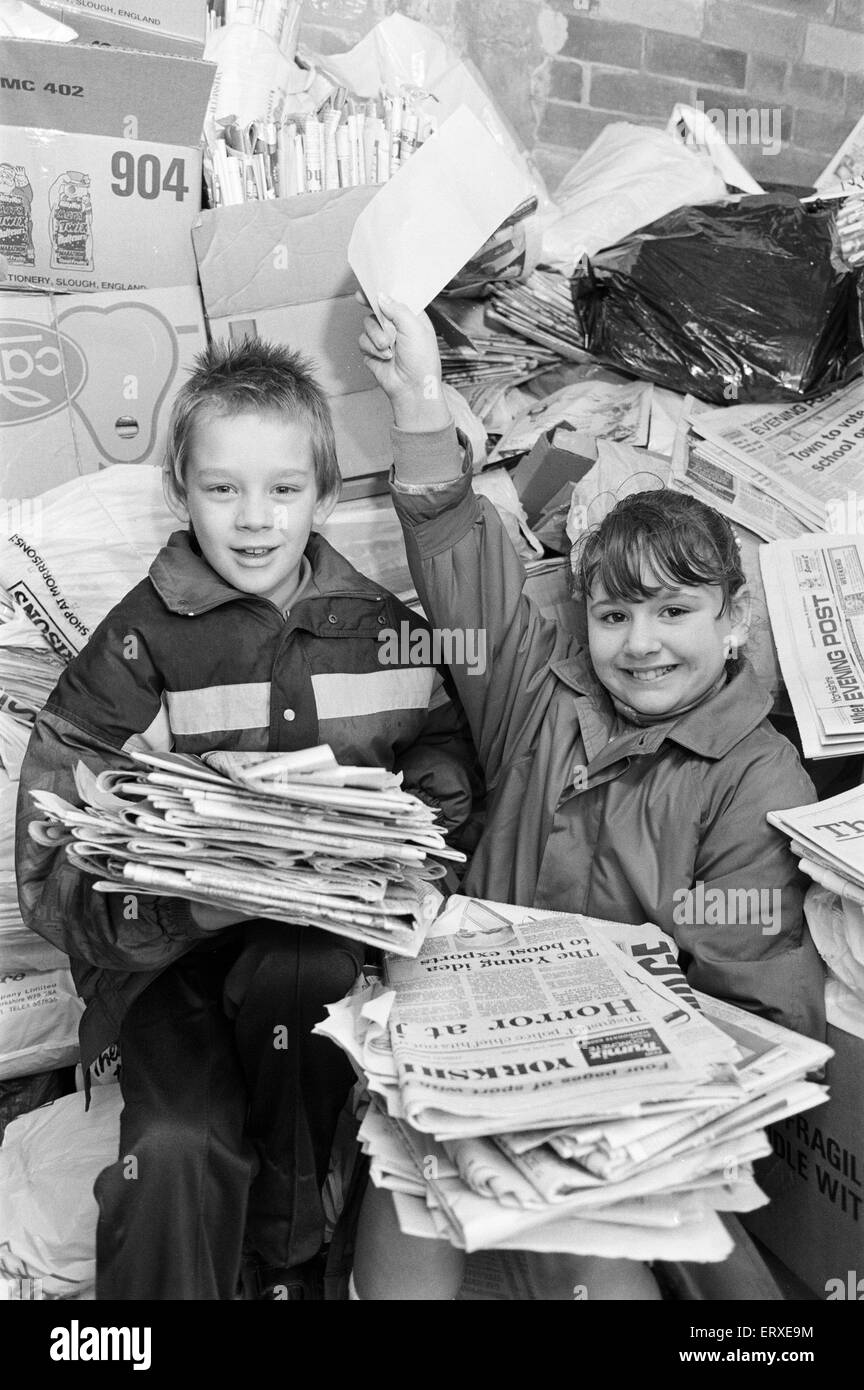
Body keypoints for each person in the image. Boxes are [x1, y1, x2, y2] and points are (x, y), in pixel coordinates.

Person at [350, 293, 827, 1301]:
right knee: (399, 1253)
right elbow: (459, 562)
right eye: (615, 613)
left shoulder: (755, 776)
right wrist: (420, 402)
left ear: (733, 619)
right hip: (462, 1095)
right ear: (585, 619)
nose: (641, 642)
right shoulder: (542, 696)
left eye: (674, 610)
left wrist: (613, 1089)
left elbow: (759, 998)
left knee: (595, 1276)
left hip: (623, 1134)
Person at [15, 337, 478, 1302]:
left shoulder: (382, 624)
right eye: (223, 490)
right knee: (177, 1149)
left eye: (283, 490)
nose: (255, 520)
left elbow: (444, 757)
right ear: (181, 493)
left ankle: (291, 1260)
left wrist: (412, 860)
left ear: (325, 494)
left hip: (317, 952)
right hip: (173, 964)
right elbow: (53, 831)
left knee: (301, 975)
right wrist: (172, 911)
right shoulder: (143, 634)